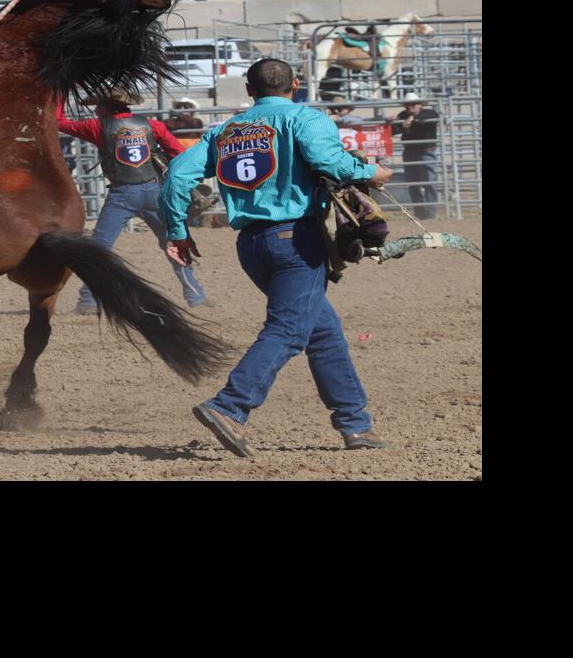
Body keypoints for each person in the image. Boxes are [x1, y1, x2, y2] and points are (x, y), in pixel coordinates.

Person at [161, 58, 393, 457]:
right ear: (296, 85)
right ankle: (230, 406)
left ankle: (355, 425)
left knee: (322, 331)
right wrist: (369, 171)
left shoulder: (224, 131)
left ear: (249, 91)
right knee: (289, 329)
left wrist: (177, 231)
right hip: (297, 240)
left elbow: (178, 174)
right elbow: (328, 162)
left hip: (251, 245)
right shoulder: (305, 118)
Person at [56, 86, 207, 313]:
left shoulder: (97, 126)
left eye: (98, 106)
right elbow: (178, 152)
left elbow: (61, 123)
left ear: (105, 107)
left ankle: (89, 300)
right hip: (154, 191)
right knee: (174, 242)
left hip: (121, 194)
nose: (96, 109)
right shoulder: (152, 125)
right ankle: (195, 296)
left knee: (99, 248)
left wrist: (60, 92)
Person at [388, 95, 438, 219]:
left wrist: (414, 118)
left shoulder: (429, 112)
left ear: (420, 104)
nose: (409, 106)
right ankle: (421, 213)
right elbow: (394, 130)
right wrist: (392, 122)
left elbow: (434, 117)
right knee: (413, 183)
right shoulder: (403, 115)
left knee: (429, 182)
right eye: (407, 104)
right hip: (410, 151)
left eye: (413, 104)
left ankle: (431, 213)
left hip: (425, 151)